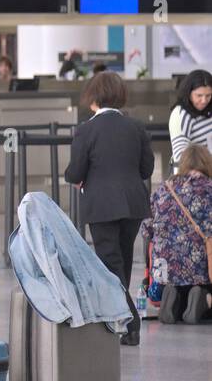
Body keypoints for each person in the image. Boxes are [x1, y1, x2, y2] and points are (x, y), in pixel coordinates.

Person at [64, 71, 154, 346]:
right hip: (134, 202)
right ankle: (123, 322)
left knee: (109, 263)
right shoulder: (136, 127)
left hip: (102, 204)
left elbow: (74, 171)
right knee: (122, 261)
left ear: (93, 98)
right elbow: (146, 168)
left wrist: (79, 176)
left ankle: (129, 321)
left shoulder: (86, 129)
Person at [144, 144, 212, 324]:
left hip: (165, 267)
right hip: (201, 267)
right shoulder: (209, 188)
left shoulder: (164, 189)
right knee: (198, 276)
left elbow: (146, 228)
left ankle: (172, 295)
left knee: (177, 277)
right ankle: (202, 298)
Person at [169, 69, 212, 171]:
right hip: (196, 176)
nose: (204, 101)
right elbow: (181, 157)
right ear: (188, 93)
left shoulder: (209, 108)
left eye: (208, 95)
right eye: (199, 95)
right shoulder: (181, 115)